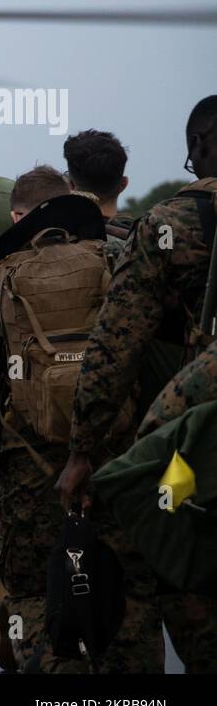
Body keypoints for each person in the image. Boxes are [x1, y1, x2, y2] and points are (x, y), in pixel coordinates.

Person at [64, 96, 217, 673]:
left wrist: (82, 451)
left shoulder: (170, 226)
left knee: (171, 562)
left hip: (192, 449)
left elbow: (114, 348)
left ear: (199, 145)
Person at [0, 166, 108, 672]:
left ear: (17, 217)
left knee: (35, 593)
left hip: (31, 471)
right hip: (116, 464)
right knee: (131, 592)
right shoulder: (118, 263)